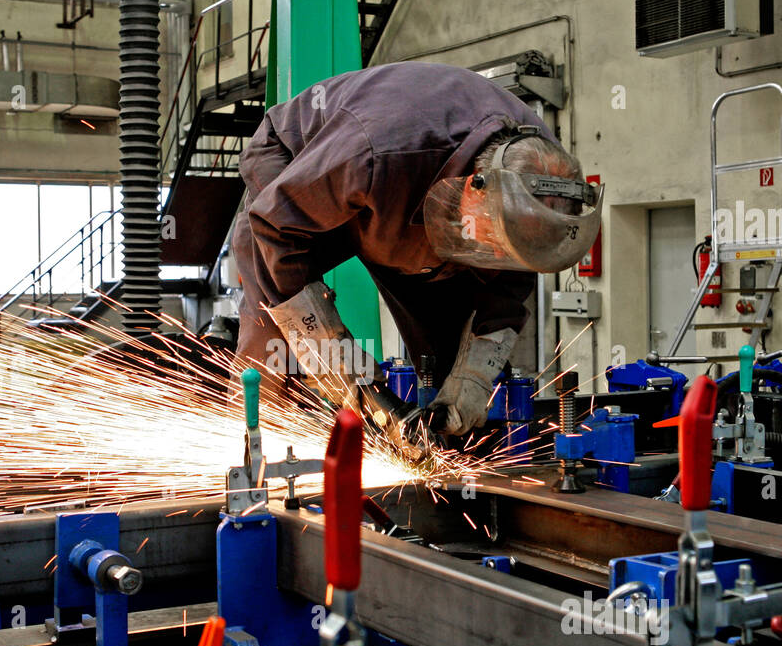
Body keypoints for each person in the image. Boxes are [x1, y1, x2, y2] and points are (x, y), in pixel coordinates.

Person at [230, 61, 602, 445]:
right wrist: (347, 373)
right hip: (304, 177)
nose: (494, 256)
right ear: (475, 190)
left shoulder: (543, 179)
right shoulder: (375, 151)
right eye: (492, 243)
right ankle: (255, 445)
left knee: (445, 360)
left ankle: (434, 446)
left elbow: (508, 285)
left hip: (408, 200)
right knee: (277, 338)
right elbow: (275, 226)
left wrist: (471, 379)